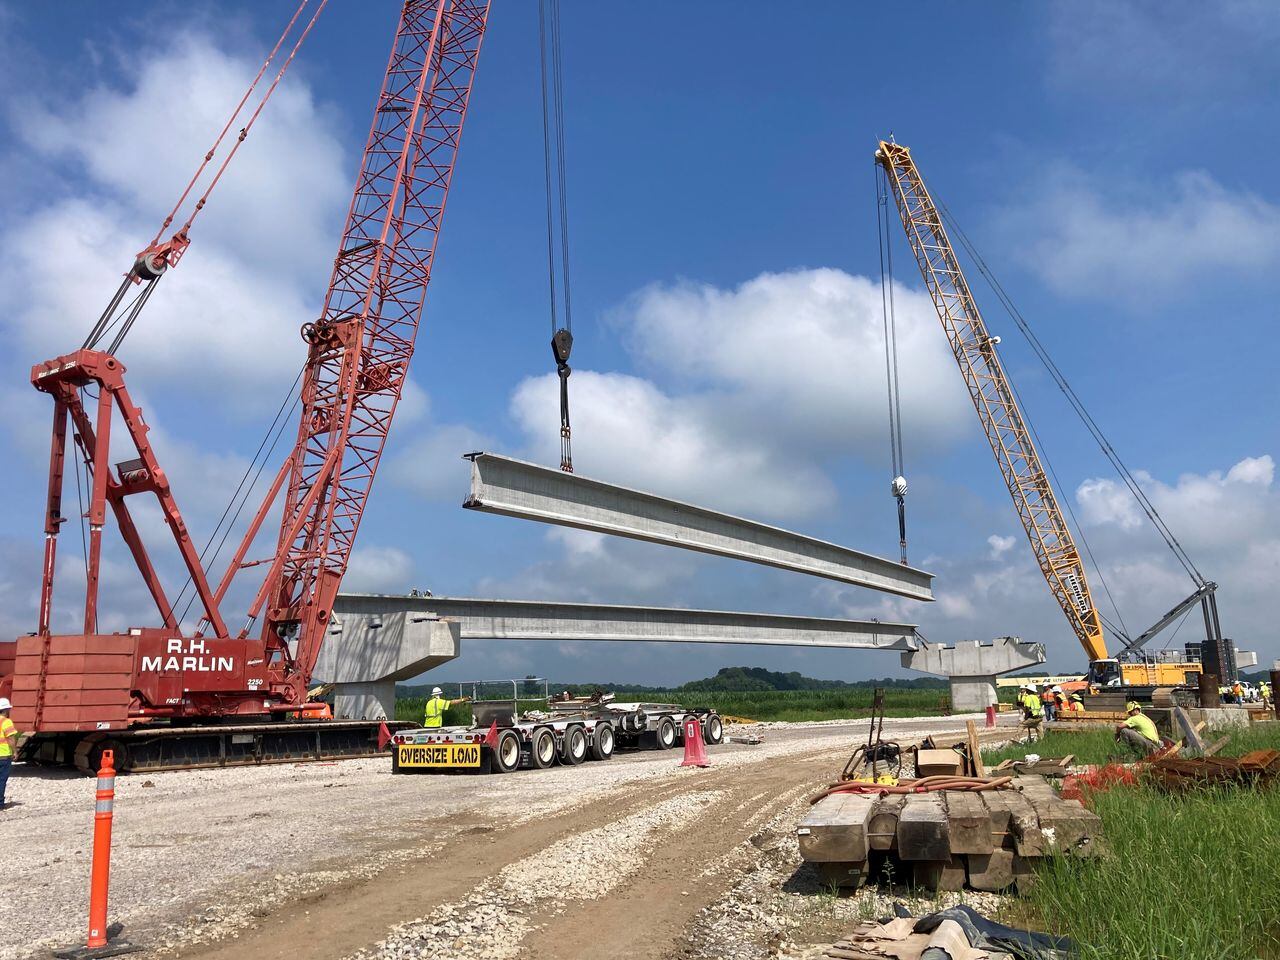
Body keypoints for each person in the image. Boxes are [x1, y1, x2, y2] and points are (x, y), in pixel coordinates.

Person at [0, 698, 16, 810]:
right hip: (3, 756)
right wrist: (15, 751)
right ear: (6, 710)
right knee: (1, 780)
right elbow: (10, 738)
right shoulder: (6, 721)